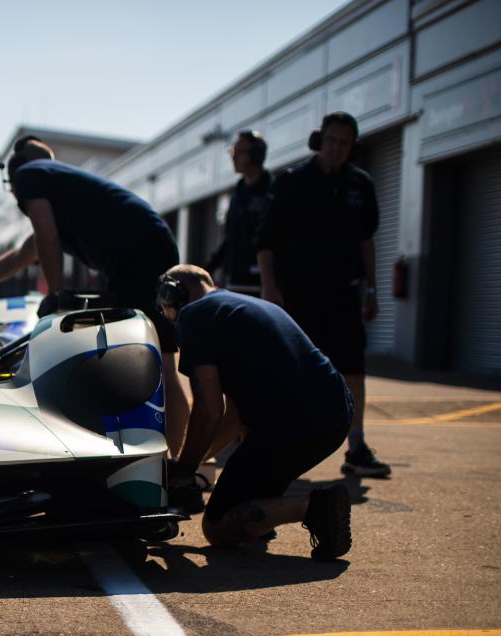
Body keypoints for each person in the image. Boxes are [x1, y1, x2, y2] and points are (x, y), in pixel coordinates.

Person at [0, 136, 190, 454]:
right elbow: (24, 254)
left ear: (13, 179)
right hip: (152, 245)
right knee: (164, 356)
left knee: (151, 359)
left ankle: (167, 462)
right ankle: (178, 463)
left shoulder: (28, 175)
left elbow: (47, 236)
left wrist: (57, 294)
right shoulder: (60, 184)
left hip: (137, 255)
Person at [159, 264, 354, 561]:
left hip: (291, 425)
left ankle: (315, 508)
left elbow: (209, 410)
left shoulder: (194, 315)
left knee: (216, 528)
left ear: (171, 293)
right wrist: (194, 462)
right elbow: (233, 416)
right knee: (248, 435)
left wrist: (183, 469)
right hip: (335, 415)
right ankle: (262, 514)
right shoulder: (246, 306)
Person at [257, 111, 390, 478]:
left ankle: (357, 447)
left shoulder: (360, 184)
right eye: (331, 140)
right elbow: (265, 242)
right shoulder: (291, 182)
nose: (337, 148)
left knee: (353, 371)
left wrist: (372, 288)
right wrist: (270, 288)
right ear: (320, 140)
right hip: (297, 296)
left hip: (345, 295)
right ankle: (282, 446)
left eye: (344, 143)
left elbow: (367, 240)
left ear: (353, 146)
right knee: (293, 370)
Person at [206, 130, 270, 291]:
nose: (232, 157)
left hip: (261, 284)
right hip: (234, 280)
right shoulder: (237, 194)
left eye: (238, 152)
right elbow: (230, 238)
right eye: (232, 151)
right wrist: (206, 269)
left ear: (256, 155)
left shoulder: (272, 192)